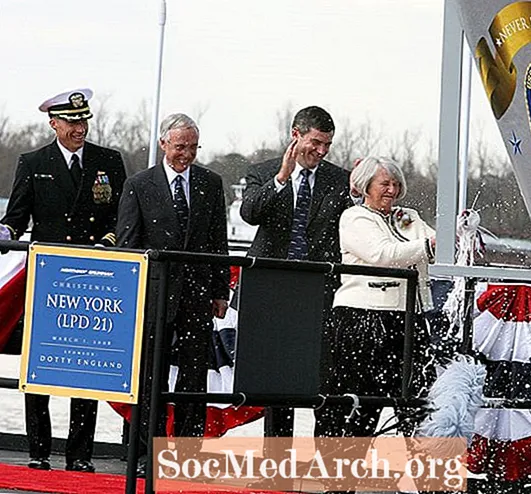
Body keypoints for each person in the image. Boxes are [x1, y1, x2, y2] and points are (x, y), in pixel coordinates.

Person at [0, 88, 127, 472]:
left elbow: (122, 216)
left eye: (83, 121)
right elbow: (18, 217)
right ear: (53, 123)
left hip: (93, 278)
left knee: (85, 368)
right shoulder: (34, 161)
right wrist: (6, 231)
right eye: (71, 122)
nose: (79, 128)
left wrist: (107, 243)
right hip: (49, 279)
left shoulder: (109, 161)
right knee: (41, 365)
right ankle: (38, 451)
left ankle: (81, 456)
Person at [116, 113, 230, 475]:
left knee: (194, 377)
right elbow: (128, 245)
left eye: (194, 147)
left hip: (197, 296)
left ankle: (186, 454)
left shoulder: (210, 184)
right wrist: (130, 294)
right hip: (154, 295)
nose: (187, 154)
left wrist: (220, 290)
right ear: (164, 144)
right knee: (150, 376)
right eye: (181, 146)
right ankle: (145, 452)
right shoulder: (139, 184)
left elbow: (217, 241)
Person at [240, 106, 352, 437]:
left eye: (327, 145)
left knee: (325, 379)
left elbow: (351, 227)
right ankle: (277, 466)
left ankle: (327, 465)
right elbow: (250, 213)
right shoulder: (262, 172)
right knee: (278, 382)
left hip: (322, 291)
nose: (321, 151)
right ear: (295, 135)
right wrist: (281, 179)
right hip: (273, 290)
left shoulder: (339, 180)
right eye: (315, 143)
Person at [314, 155, 436, 438]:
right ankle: (340, 477)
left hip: (407, 320)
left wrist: (460, 235)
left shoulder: (408, 217)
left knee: (419, 403)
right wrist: (428, 246)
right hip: (362, 320)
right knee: (358, 406)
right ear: (366, 186)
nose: (391, 190)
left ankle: (429, 478)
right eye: (384, 184)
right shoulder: (354, 217)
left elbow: (435, 245)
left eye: (395, 184)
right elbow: (382, 255)